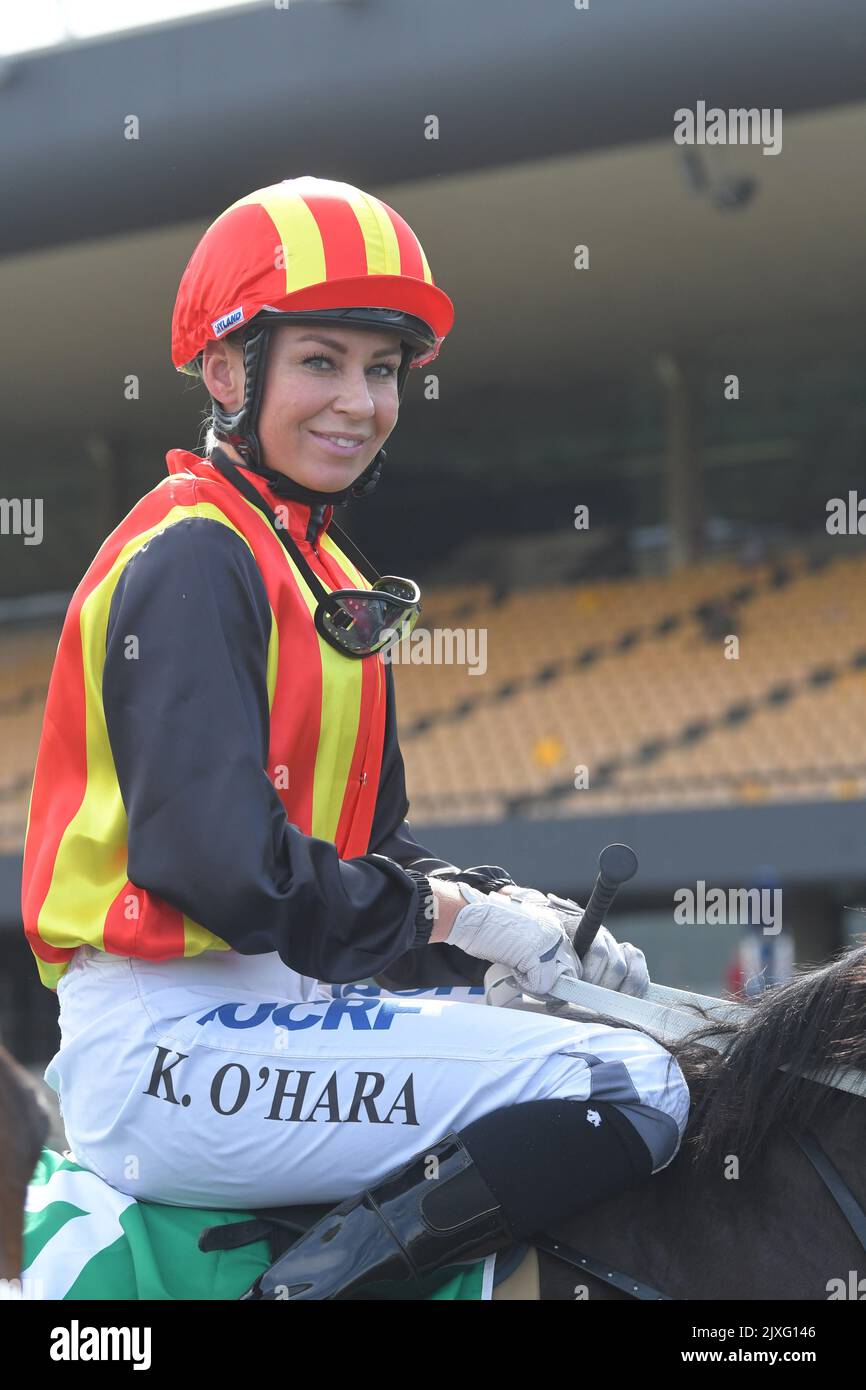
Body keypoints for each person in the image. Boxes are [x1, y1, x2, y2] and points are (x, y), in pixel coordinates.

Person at [22, 176, 688, 1299]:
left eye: (380, 369)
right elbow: (218, 867)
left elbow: (371, 855)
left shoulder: (326, 571)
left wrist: (509, 927)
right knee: (630, 1082)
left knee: (630, 1045)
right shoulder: (193, 555)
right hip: (164, 1048)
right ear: (229, 373)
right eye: (320, 361)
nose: (359, 401)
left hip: (275, 1017)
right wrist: (449, 915)